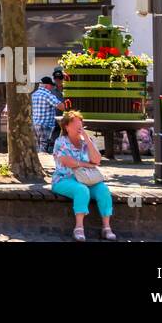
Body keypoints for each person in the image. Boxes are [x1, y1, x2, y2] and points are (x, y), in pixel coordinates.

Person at [51, 111, 117, 241]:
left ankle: (106, 227)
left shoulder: (87, 141)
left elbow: (97, 160)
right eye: (75, 124)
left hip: (88, 179)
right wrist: (86, 164)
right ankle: (79, 228)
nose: (78, 127)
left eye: (80, 124)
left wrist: (87, 139)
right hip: (64, 179)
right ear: (67, 127)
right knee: (81, 190)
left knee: (103, 190)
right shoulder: (61, 142)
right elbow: (66, 161)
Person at [32, 77, 65, 153]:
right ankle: (43, 162)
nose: (52, 87)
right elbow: (62, 107)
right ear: (47, 85)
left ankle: (38, 161)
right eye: (51, 86)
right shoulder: (48, 95)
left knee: (37, 146)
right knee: (44, 146)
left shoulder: (34, 94)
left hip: (35, 124)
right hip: (46, 125)